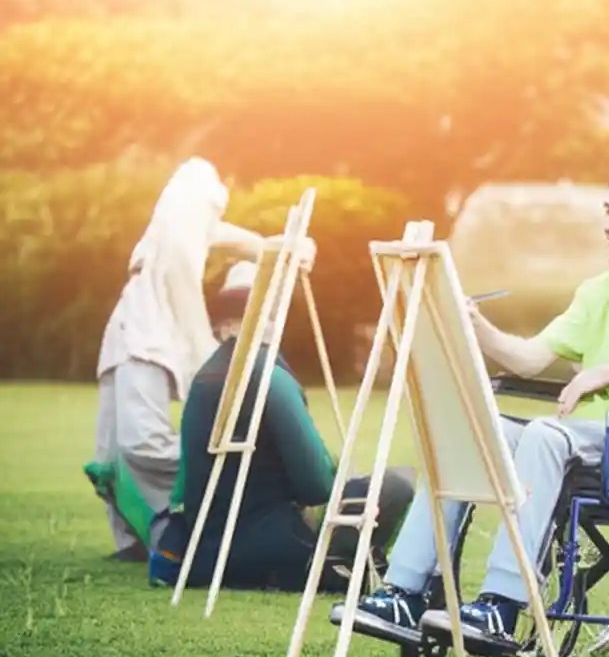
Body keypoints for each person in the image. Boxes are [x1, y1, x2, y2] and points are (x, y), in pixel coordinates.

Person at [331, 149, 609, 656]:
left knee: (543, 434)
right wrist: (475, 326)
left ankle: (503, 606)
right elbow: (529, 360)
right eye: (607, 211)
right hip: (594, 439)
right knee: (467, 434)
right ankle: (403, 590)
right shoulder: (599, 291)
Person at [148, 261, 415, 592]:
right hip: (273, 544)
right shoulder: (269, 376)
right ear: (268, 318)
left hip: (205, 551)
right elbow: (316, 484)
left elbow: (182, 489)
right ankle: (340, 567)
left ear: (221, 326)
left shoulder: (203, 378)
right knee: (399, 483)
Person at [87, 158, 268, 562]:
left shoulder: (182, 222)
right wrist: (263, 246)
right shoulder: (178, 217)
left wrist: (266, 248)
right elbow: (196, 253)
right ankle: (140, 536)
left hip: (146, 330)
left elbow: (198, 252)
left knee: (141, 443)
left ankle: (219, 492)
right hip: (135, 325)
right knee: (113, 449)